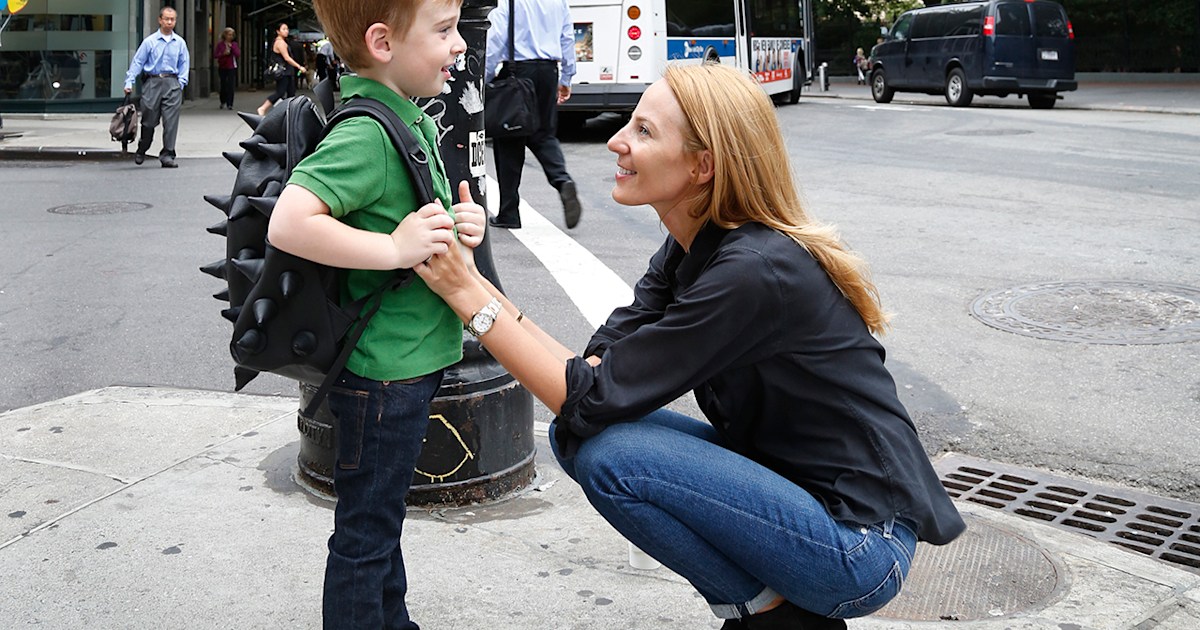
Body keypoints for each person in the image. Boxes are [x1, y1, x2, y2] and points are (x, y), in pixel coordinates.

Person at [415, 63, 965, 629]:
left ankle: (764, 611)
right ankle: (769, 610)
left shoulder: (753, 271)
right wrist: (477, 287)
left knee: (614, 457)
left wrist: (465, 293)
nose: (616, 141)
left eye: (645, 132)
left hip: (858, 544)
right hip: (797, 496)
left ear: (702, 166)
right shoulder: (691, 246)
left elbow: (588, 391)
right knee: (578, 437)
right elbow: (599, 364)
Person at [266, 0, 480, 627]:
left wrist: (460, 227)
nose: (460, 45)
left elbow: (411, 218)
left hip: (403, 366)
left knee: (379, 521)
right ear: (383, 42)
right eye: (444, 31)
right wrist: (392, 248)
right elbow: (290, 220)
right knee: (365, 534)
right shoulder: (366, 133)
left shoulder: (401, 117)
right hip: (384, 373)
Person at [484, 0, 582, 230]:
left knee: (509, 137)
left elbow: (496, 40)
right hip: (548, 71)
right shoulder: (559, 1)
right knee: (544, 134)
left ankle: (509, 212)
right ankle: (562, 180)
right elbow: (567, 37)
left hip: (518, 71)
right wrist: (566, 77)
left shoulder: (510, 2)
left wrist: (484, 78)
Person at [123, 6, 189, 168]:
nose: (169, 22)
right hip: (152, 83)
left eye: (172, 19)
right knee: (149, 120)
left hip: (172, 83)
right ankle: (143, 147)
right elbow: (138, 62)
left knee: (171, 121)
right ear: (160, 20)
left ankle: (168, 153)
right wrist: (129, 81)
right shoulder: (150, 42)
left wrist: (180, 83)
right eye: (166, 19)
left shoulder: (180, 43)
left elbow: (184, 64)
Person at [256, 22, 306, 116]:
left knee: (290, 92)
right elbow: (287, 58)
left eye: (287, 29)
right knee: (280, 92)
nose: (286, 31)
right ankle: (263, 108)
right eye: (283, 29)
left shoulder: (282, 42)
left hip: (287, 71)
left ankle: (287, 112)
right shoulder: (280, 43)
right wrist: (299, 67)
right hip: (284, 71)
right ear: (278, 31)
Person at [213, 27, 240, 110]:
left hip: (232, 67)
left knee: (230, 85)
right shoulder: (220, 45)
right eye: (229, 35)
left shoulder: (234, 44)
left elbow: (238, 54)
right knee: (223, 84)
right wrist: (223, 53)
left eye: (232, 35)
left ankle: (230, 103)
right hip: (223, 66)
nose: (230, 36)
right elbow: (215, 55)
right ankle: (222, 101)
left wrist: (232, 48)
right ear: (225, 35)